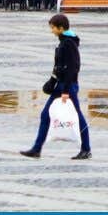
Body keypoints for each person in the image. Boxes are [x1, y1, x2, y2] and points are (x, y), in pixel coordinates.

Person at [20, 13, 91, 159]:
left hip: (68, 86)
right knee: (45, 115)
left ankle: (86, 149)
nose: (51, 30)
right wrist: (51, 82)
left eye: (53, 28)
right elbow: (59, 67)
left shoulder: (68, 44)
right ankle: (37, 148)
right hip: (61, 85)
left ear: (60, 28)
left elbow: (72, 68)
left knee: (78, 117)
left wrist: (65, 91)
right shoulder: (64, 41)